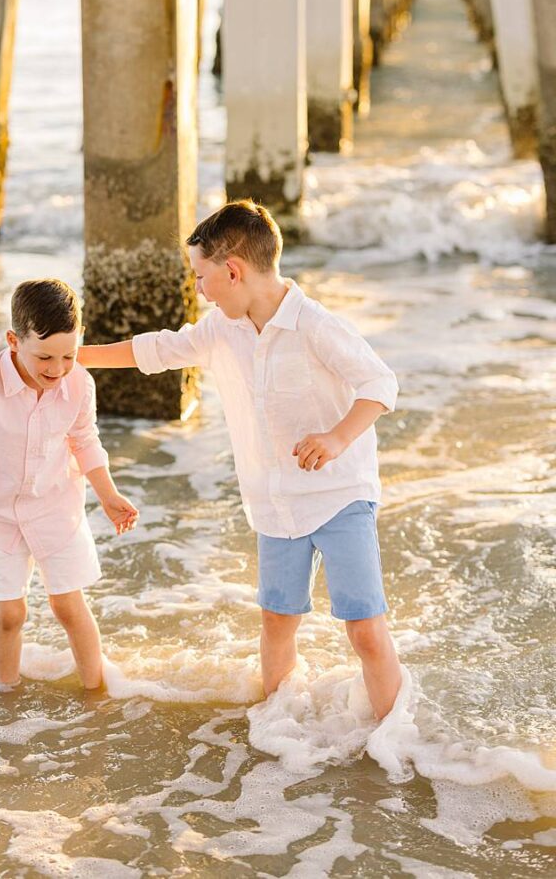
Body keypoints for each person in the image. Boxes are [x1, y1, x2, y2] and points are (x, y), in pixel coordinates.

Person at [77, 200, 404, 719]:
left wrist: (338, 437)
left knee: (364, 630)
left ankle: (394, 740)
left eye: (201, 276)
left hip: (340, 496)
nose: (199, 288)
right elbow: (159, 350)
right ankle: (277, 727)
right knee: (277, 620)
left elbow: (380, 383)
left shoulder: (314, 324)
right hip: (275, 505)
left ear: (233, 270)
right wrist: (75, 356)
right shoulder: (221, 329)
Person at [0, 279, 140, 689]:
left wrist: (108, 494)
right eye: (44, 356)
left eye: (69, 355)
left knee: (69, 606)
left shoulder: (79, 383)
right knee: (10, 613)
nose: (57, 368)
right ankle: (6, 693)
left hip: (56, 505)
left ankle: (95, 693)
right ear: (14, 341)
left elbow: (84, 439)